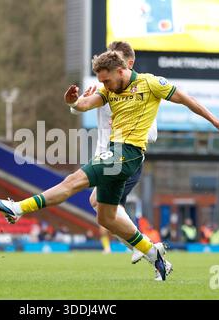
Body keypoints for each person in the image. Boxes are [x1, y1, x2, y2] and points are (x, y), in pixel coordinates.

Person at [0, 50, 219, 281]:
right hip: (114, 153)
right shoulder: (109, 90)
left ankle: (18, 207)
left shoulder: (151, 83)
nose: (104, 86)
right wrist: (72, 101)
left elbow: (186, 99)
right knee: (105, 217)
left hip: (128, 153)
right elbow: (86, 104)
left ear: (121, 71)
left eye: (106, 80)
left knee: (72, 182)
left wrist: (215, 122)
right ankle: (154, 255)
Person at [71, 41, 170, 280]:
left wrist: (126, 129)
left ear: (126, 65)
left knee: (99, 203)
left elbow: (152, 134)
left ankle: (143, 246)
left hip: (127, 156)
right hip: (104, 155)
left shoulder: (142, 92)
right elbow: (78, 108)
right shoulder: (103, 87)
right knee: (104, 209)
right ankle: (147, 250)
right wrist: (76, 101)